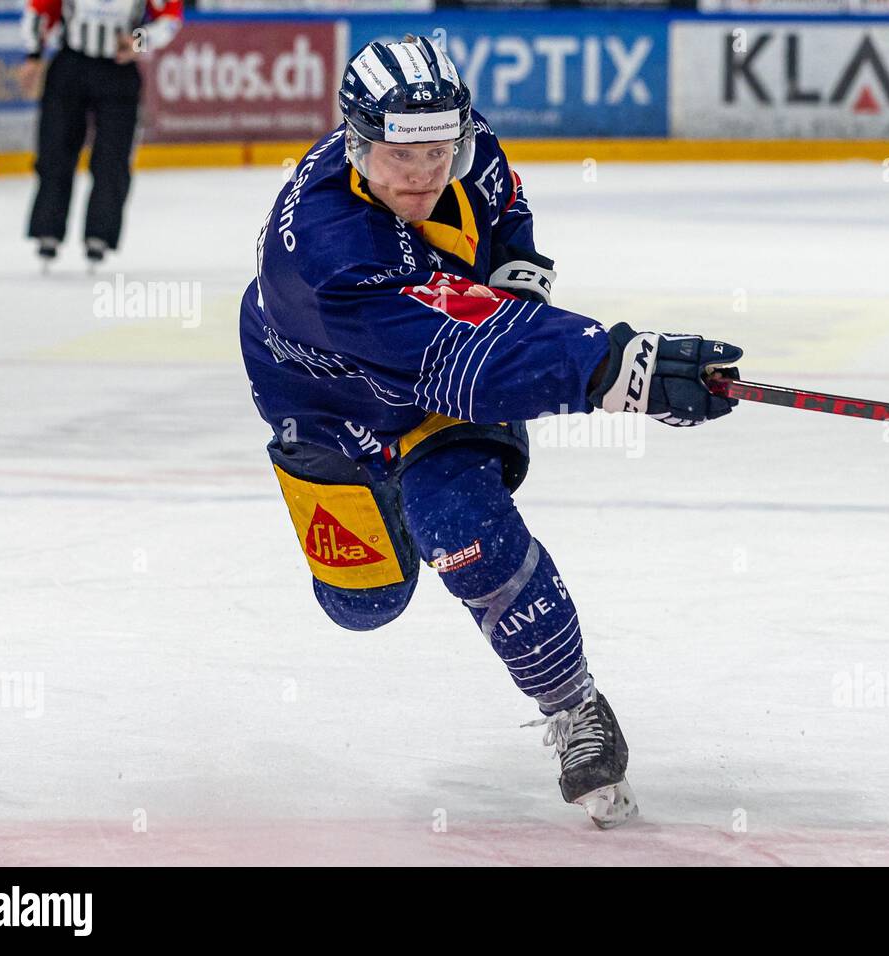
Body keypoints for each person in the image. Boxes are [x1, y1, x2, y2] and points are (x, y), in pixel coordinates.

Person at [239, 35, 742, 828]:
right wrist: (619, 369)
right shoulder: (331, 251)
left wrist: (517, 274)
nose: (422, 175)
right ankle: (393, 493)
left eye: (440, 152)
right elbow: (463, 352)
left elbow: (502, 218)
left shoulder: (461, 148)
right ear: (355, 144)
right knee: (361, 605)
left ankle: (575, 707)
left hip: (433, 383)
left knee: (464, 528)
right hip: (326, 394)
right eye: (400, 160)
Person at [18, 0, 185, 269]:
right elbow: (39, 10)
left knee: (113, 156)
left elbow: (169, 19)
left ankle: (100, 233)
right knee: (55, 149)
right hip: (71, 64)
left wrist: (138, 42)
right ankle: (47, 228)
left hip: (118, 71)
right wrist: (33, 55)